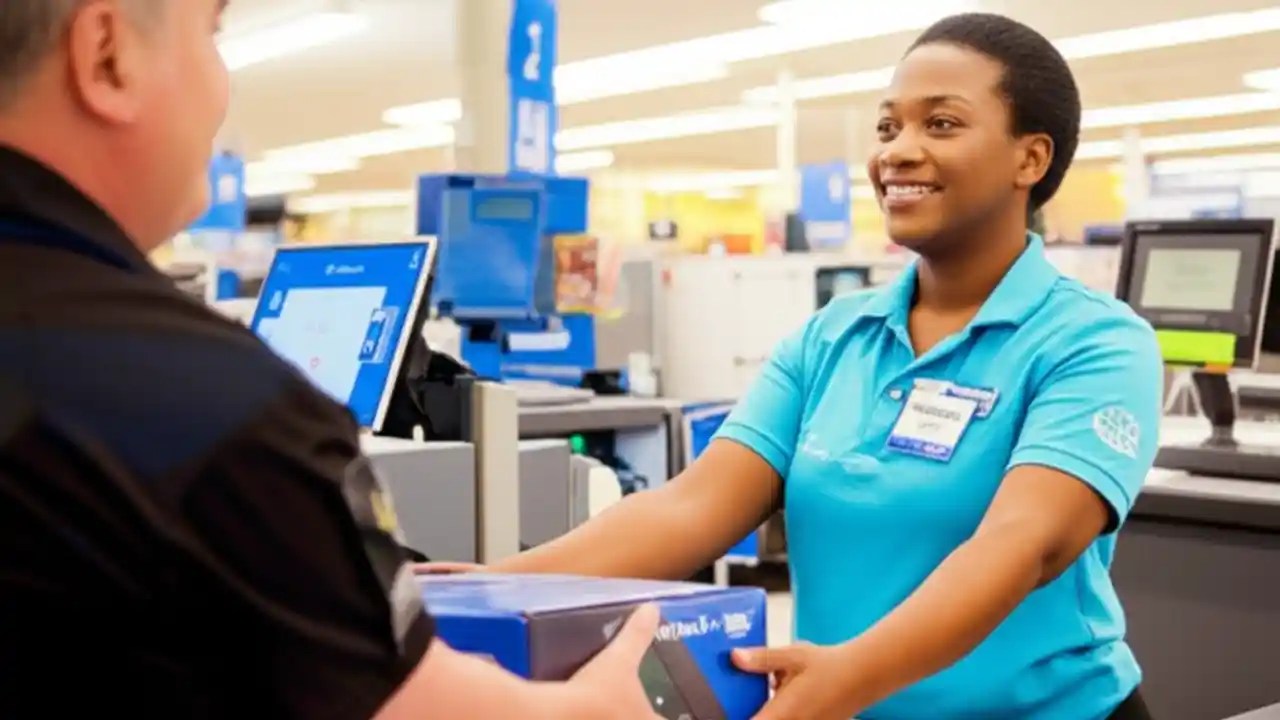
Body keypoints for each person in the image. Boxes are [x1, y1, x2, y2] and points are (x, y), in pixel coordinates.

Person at [459, 12, 1163, 720]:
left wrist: (851, 677)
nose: (899, 152)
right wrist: (487, 588)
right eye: (888, 128)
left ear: (1030, 159)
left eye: (941, 125)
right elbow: (691, 508)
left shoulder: (1093, 343)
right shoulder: (830, 340)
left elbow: (1024, 544)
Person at [0, 2, 661, 718]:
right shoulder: (203, 409)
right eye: (212, 34)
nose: (222, 86)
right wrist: (600, 705)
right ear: (108, 53)